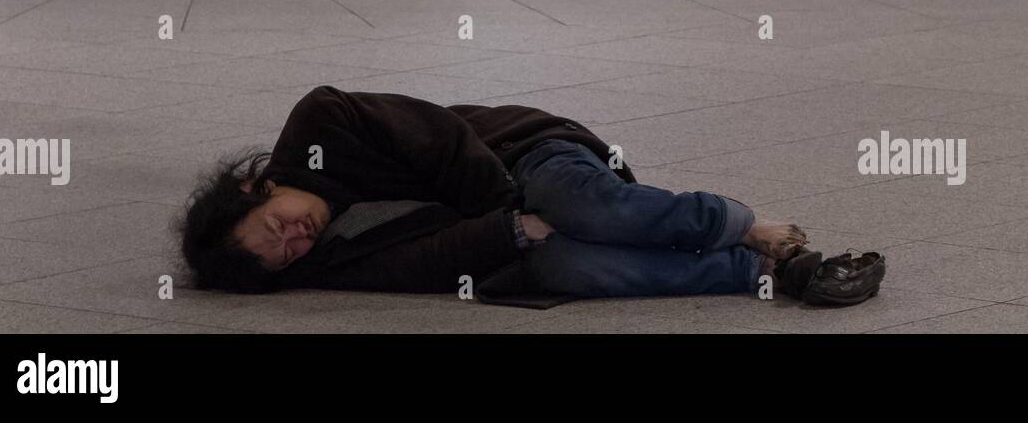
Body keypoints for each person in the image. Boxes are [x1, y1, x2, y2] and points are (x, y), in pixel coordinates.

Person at [178, 85, 885, 308]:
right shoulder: (321, 259)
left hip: (524, 156)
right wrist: (513, 237)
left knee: (587, 210)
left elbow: (442, 138)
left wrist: (511, 210)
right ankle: (761, 273)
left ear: (257, 188)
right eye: (281, 257)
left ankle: (747, 225)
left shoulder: (324, 120)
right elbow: (416, 266)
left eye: (276, 226)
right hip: (510, 227)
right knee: (568, 269)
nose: (294, 240)